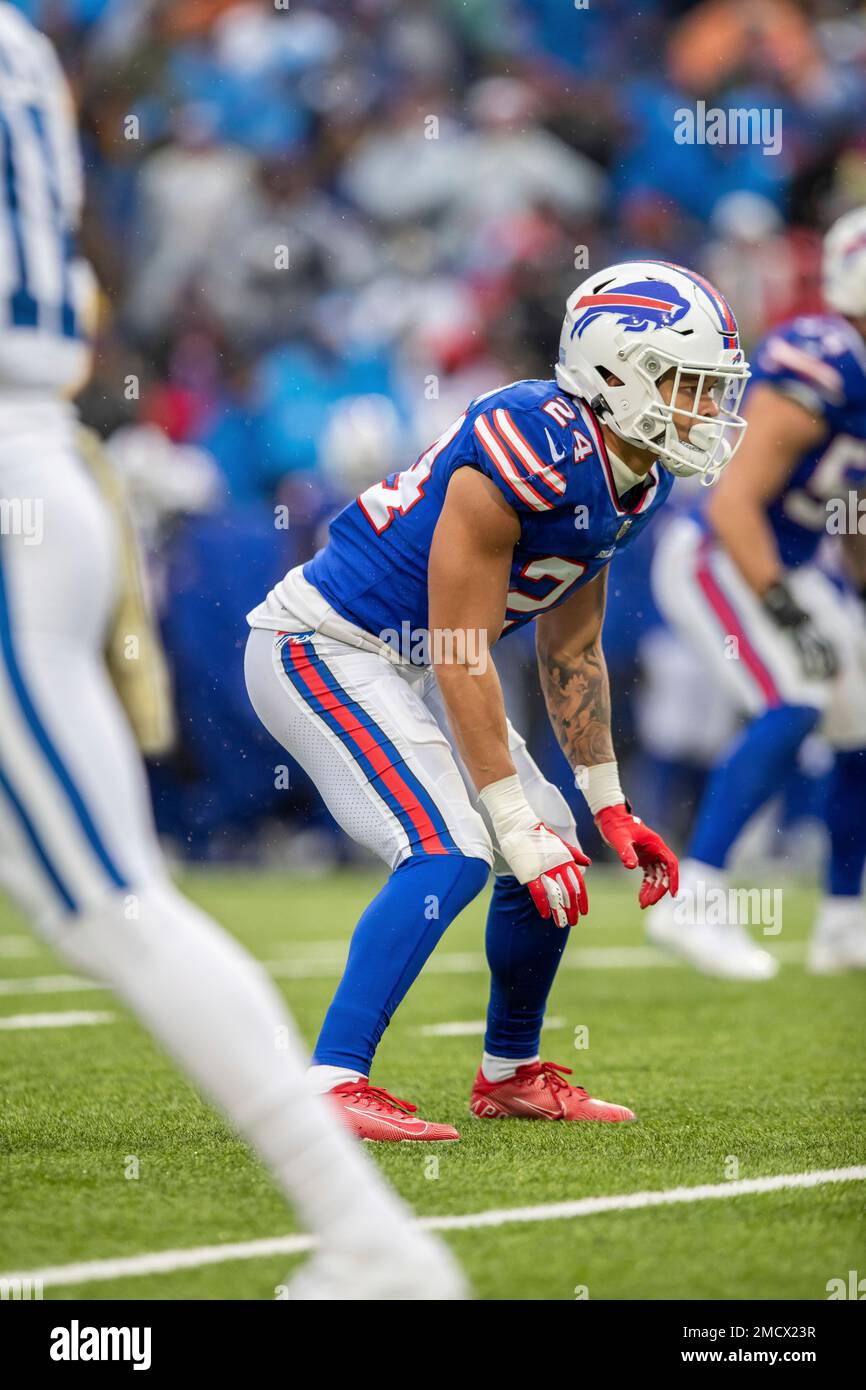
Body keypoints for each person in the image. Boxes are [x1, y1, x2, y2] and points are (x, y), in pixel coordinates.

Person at [0, 1, 462, 1302]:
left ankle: (369, 1235)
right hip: (45, 455)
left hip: (14, 471)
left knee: (104, 900)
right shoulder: (31, 47)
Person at [246, 259, 751, 1138]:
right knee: (451, 848)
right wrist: (506, 819)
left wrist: (608, 803)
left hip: (412, 660)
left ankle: (509, 1073)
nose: (706, 410)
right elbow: (459, 652)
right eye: (688, 385)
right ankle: (329, 1080)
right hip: (322, 645)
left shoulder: (634, 472)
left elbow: (572, 644)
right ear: (614, 373)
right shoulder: (529, 442)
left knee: (551, 841)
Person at [649, 209, 866, 978]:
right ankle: (694, 898)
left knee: (858, 719)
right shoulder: (829, 356)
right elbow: (735, 497)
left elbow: (851, 513)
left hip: (794, 561)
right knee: (796, 695)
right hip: (721, 549)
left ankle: (844, 919)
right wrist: (781, 606)